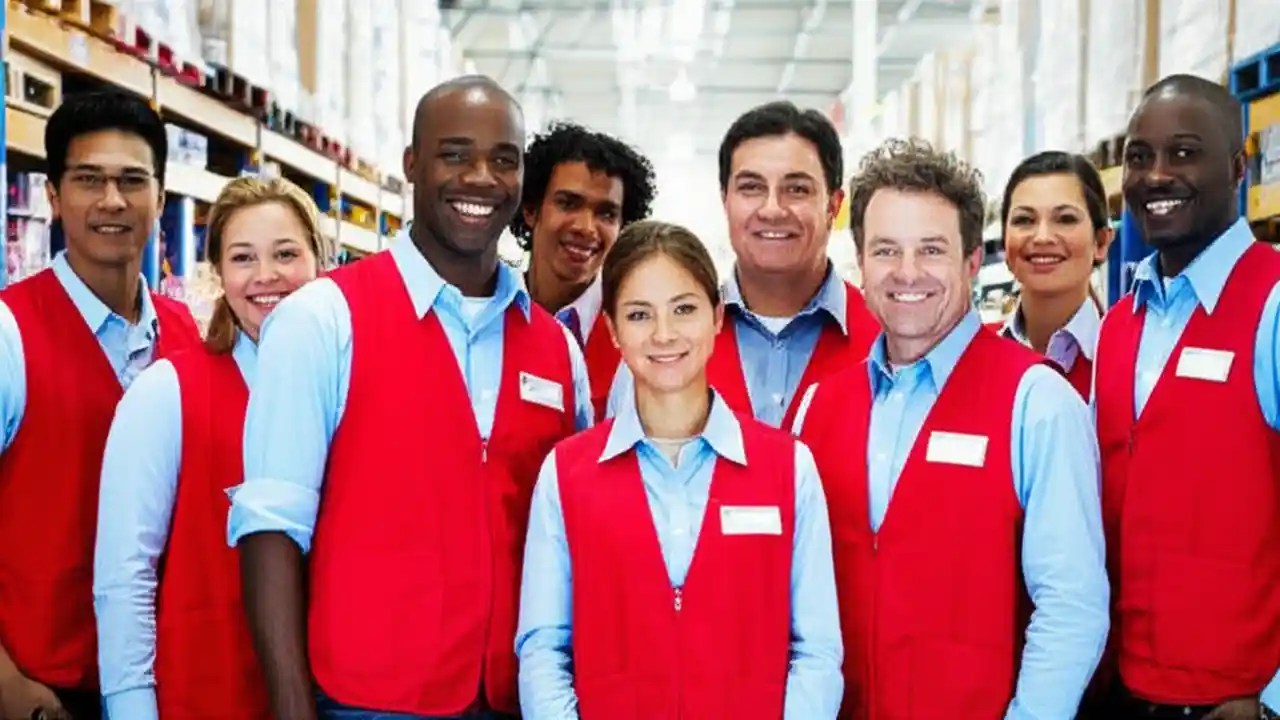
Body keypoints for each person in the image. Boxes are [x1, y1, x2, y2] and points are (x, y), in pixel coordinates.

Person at [227, 76, 593, 720]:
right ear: (412, 165)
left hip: (513, 697)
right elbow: (271, 529)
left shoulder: (556, 350)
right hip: (367, 701)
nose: (481, 178)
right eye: (455, 154)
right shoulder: (324, 319)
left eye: (503, 160)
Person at [792, 138, 1110, 719]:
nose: (907, 272)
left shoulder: (1035, 402)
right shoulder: (818, 408)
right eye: (886, 250)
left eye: (932, 250)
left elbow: (1072, 607)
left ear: (970, 261)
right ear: (860, 263)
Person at [516, 219, 843, 719]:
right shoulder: (565, 475)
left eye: (684, 309)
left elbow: (816, 650)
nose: (664, 334)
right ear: (613, 330)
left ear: (717, 317)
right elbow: (543, 649)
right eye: (639, 314)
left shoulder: (789, 469)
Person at [93, 177, 328, 720]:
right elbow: (125, 578)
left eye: (286, 254)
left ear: (322, 262)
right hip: (208, 696)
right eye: (243, 257)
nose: (266, 275)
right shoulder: (167, 394)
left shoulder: (352, 396)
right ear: (219, 273)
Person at [0, 90, 202, 720]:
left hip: (161, 685)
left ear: (160, 199)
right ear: (53, 198)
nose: (112, 201)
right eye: (89, 180)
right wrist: (4, 684)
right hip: (42, 690)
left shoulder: (188, 337)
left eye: (132, 181)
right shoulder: (11, 333)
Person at [1093, 74, 1280, 720]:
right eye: (1139, 157)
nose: (1156, 175)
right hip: (1126, 688)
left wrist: (1274, 700)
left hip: (1236, 700)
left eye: (1184, 153)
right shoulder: (1119, 325)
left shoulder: (1272, 305)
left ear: (1238, 167)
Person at [607, 101, 879, 429]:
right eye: (751, 188)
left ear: (833, 205)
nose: (772, 209)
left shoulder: (886, 338)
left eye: (797, 189)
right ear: (726, 200)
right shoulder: (659, 349)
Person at [513, 121, 657, 421]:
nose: (586, 228)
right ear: (530, 209)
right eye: (568, 204)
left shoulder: (638, 335)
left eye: (607, 214)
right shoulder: (488, 311)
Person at [997, 151, 1113, 399]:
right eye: (1024, 220)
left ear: (1101, 242)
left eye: (1065, 219)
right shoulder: (969, 354)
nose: (1042, 237)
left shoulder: (1130, 361)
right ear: (1004, 243)